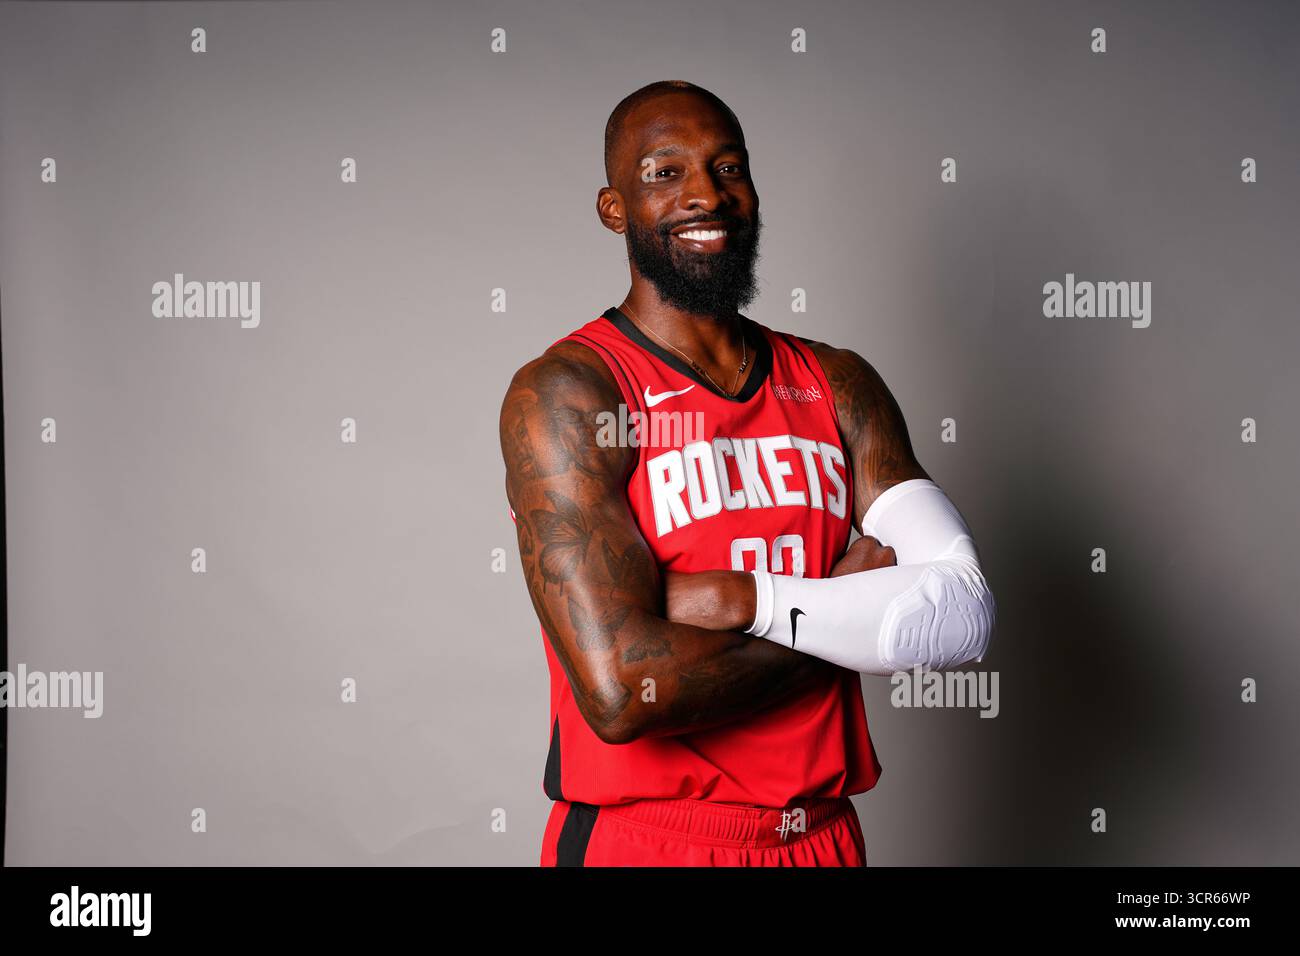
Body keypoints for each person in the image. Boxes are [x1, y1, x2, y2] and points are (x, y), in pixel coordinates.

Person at [499, 80, 996, 866]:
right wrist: (851, 617)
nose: (706, 194)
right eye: (666, 172)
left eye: (728, 168)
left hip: (822, 836)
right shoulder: (573, 392)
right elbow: (622, 691)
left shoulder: (838, 384)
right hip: (653, 841)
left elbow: (962, 610)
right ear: (613, 207)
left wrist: (743, 601)